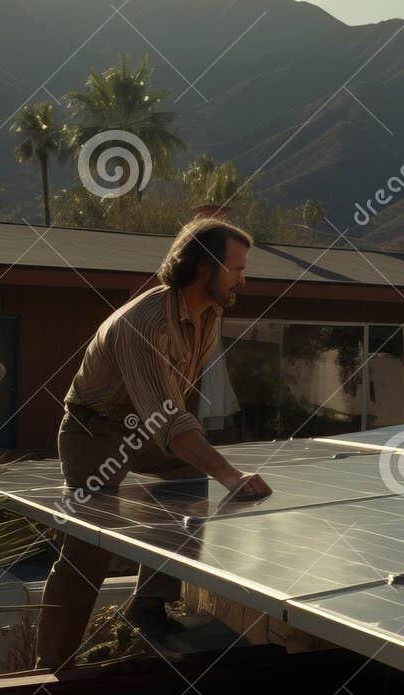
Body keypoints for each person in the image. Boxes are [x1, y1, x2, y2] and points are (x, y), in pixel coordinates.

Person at [36, 217, 273, 669]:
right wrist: (230, 473)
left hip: (142, 426)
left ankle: (149, 604)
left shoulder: (210, 313)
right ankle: (49, 669)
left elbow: (175, 401)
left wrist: (201, 459)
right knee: (90, 543)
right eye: (237, 268)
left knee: (185, 479)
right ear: (204, 269)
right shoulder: (145, 324)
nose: (244, 278)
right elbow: (170, 421)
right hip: (95, 431)